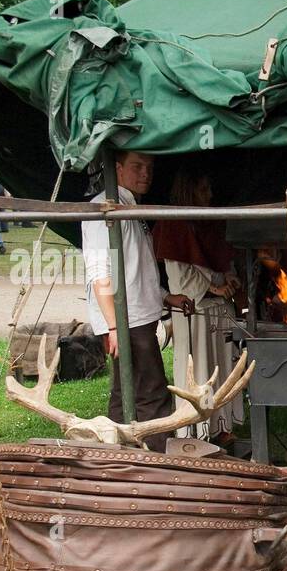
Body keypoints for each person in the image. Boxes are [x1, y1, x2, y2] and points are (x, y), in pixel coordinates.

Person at [81, 150, 193, 451]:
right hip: (125, 319)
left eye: (149, 167)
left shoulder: (130, 206)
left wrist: (165, 297)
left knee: (126, 392)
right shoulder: (102, 210)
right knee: (152, 393)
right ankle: (155, 463)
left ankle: (121, 458)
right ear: (117, 168)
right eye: (137, 166)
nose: (145, 173)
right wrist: (114, 326)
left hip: (135, 316)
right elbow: (100, 274)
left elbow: (133, 269)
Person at [152, 167, 243, 442]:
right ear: (189, 191)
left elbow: (224, 261)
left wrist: (229, 278)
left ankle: (222, 427)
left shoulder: (210, 222)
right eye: (204, 190)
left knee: (223, 369)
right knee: (198, 370)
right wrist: (212, 287)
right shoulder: (173, 223)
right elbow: (178, 275)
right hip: (195, 311)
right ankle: (195, 430)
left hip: (219, 310)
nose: (210, 195)